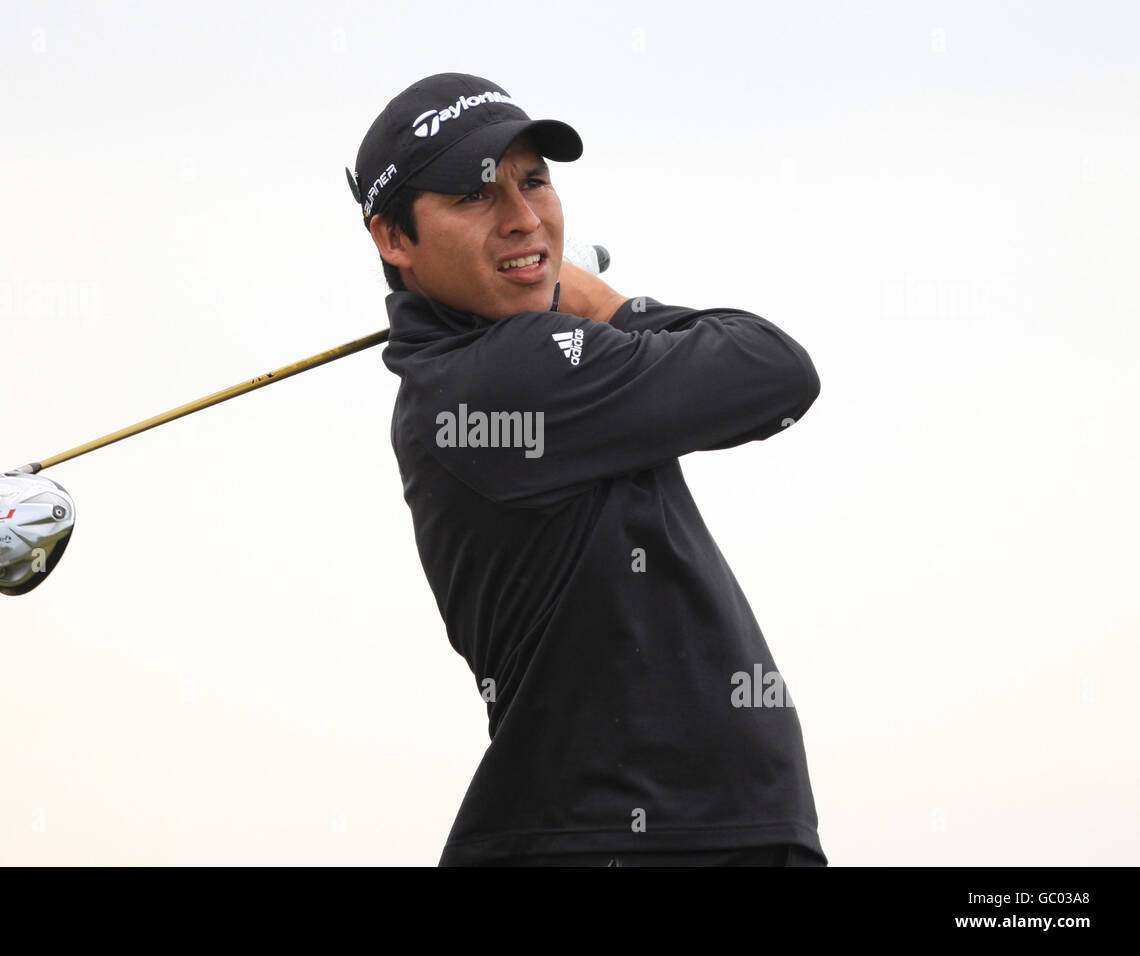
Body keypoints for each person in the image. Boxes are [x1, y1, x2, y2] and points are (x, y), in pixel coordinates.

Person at [348, 72, 828, 867]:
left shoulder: (479, 374)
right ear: (394, 240)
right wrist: (608, 304)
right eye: (475, 198)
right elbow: (775, 369)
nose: (524, 218)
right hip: (627, 838)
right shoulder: (502, 380)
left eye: (533, 182)